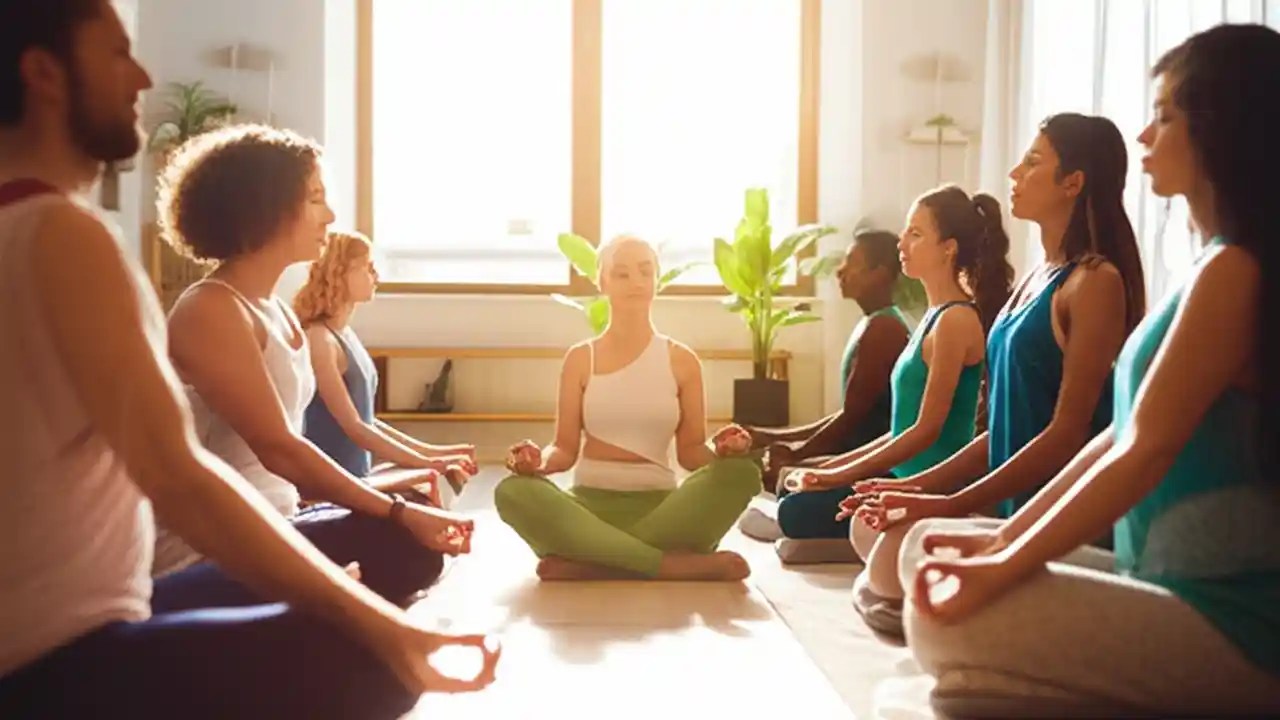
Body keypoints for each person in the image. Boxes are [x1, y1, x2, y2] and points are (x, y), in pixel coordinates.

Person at [0, 2, 498, 717]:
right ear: (45, 74)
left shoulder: (28, 229)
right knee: (373, 659)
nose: (142, 75)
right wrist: (366, 614)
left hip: (114, 613)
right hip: (57, 657)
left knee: (365, 613)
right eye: (116, 54)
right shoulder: (62, 237)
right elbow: (180, 478)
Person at [899, 24, 1280, 718]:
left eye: (1165, 116)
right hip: (1155, 580)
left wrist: (1001, 567)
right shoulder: (1207, 267)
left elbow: (1138, 449)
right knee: (924, 555)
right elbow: (1120, 435)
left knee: (939, 624)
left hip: (1228, 620)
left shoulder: (1235, 270)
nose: (1144, 137)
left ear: (1225, 128)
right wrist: (1002, 544)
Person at [149, 123, 471, 609]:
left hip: (281, 518)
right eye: (316, 198)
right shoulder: (211, 309)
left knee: (413, 538)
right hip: (215, 543)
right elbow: (280, 449)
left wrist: (397, 501)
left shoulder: (274, 309)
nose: (331, 214)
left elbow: (284, 469)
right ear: (266, 205)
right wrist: (395, 512)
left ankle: (320, 597)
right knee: (403, 535)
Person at [846, 114, 1147, 633]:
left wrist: (951, 502)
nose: (1014, 173)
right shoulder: (1036, 277)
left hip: (1048, 516)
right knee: (877, 535)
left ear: (1072, 182)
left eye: (1032, 162)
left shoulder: (1095, 283)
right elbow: (997, 431)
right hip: (998, 505)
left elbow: (1066, 434)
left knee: (898, 560)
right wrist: (916, 490)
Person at [494, 235, 764, 581]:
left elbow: (692, 453)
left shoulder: (683, 361)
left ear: (657, 280)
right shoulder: (580, 359)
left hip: (664, 510)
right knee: (513, 491)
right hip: (588, 510)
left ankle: (595, 562)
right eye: (621, 274)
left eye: (645, 271)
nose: (636, 281)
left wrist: (724, 453)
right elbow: (563, 449)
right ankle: (667, 565)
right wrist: (535, 463)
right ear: (601, 282)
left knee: (743, 473)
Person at [774, 185, 1014, 544]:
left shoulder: (956, 321)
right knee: (792, 490)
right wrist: (832, 468)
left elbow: (926, 430)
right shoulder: (932, 318)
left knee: (794, 511)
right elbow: (901, 429)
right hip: (895, 478)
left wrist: (838, 476)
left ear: (949, 248)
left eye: (916, 234)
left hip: (924, 487)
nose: (902, 243)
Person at [294, 229, 477, 502]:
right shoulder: (320, 340)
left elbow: (368, 421)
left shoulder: (344, 334)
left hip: (358, 475)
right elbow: (354, 427)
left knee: (443, 476)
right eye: (368, 268)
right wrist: (429, 464)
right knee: (435, 481)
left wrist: (432, 454)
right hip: (332, 484)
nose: (376, 276)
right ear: (340, 273)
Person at [745, 230, 911, 494]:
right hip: (854, 455)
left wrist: (797, 455)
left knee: (783, 486)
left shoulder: (884, 329)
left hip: (871, 465)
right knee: (775, 477)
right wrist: (775, 437)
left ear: (879, 273)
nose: (840, 272)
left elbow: (851, 420)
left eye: (851, 264)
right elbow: (848, 411)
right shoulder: (873, 322)